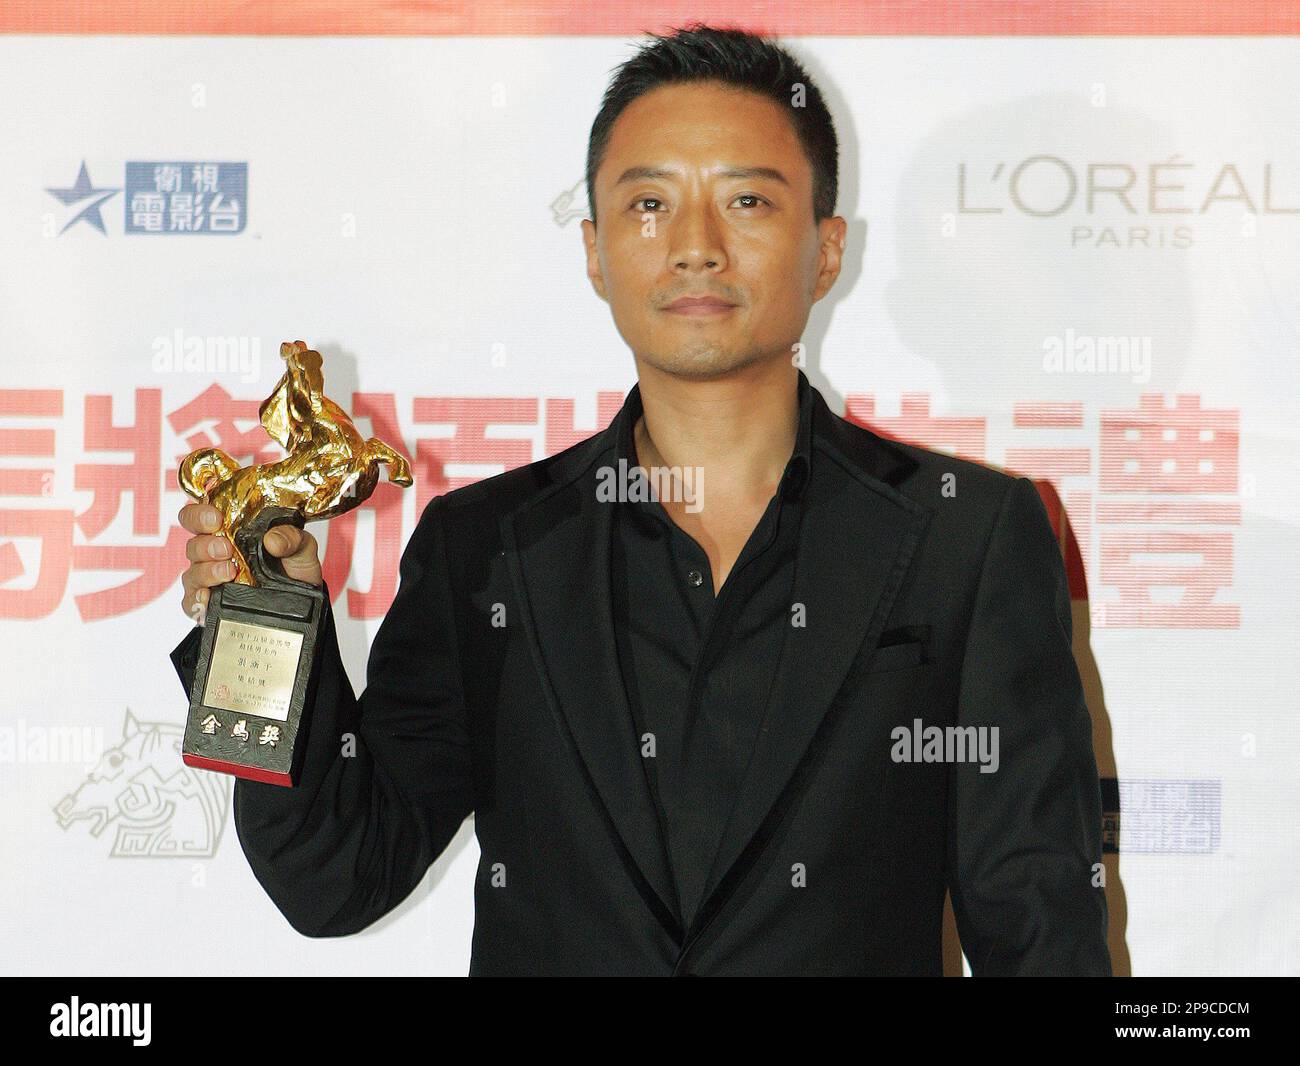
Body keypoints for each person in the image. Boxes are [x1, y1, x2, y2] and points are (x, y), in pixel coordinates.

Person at [171, 23, 1110, 976]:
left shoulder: (968, 539)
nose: (696, 247)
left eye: (746, 199)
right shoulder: (484, 548)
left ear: (827, 252)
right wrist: (263, 614)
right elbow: (332, 877)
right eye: (650, 202)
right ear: (594, 251)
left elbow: (1040, 930)